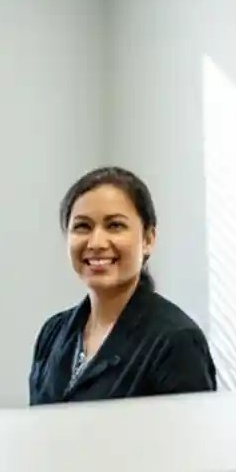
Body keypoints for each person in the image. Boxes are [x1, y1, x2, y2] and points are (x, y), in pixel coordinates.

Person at [28, 166, 217, 405]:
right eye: (82, 226)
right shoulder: (53, 333)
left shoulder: (176, 341)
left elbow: (189, 439)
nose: (96, 243)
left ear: (148, 239)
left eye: (115, 225)